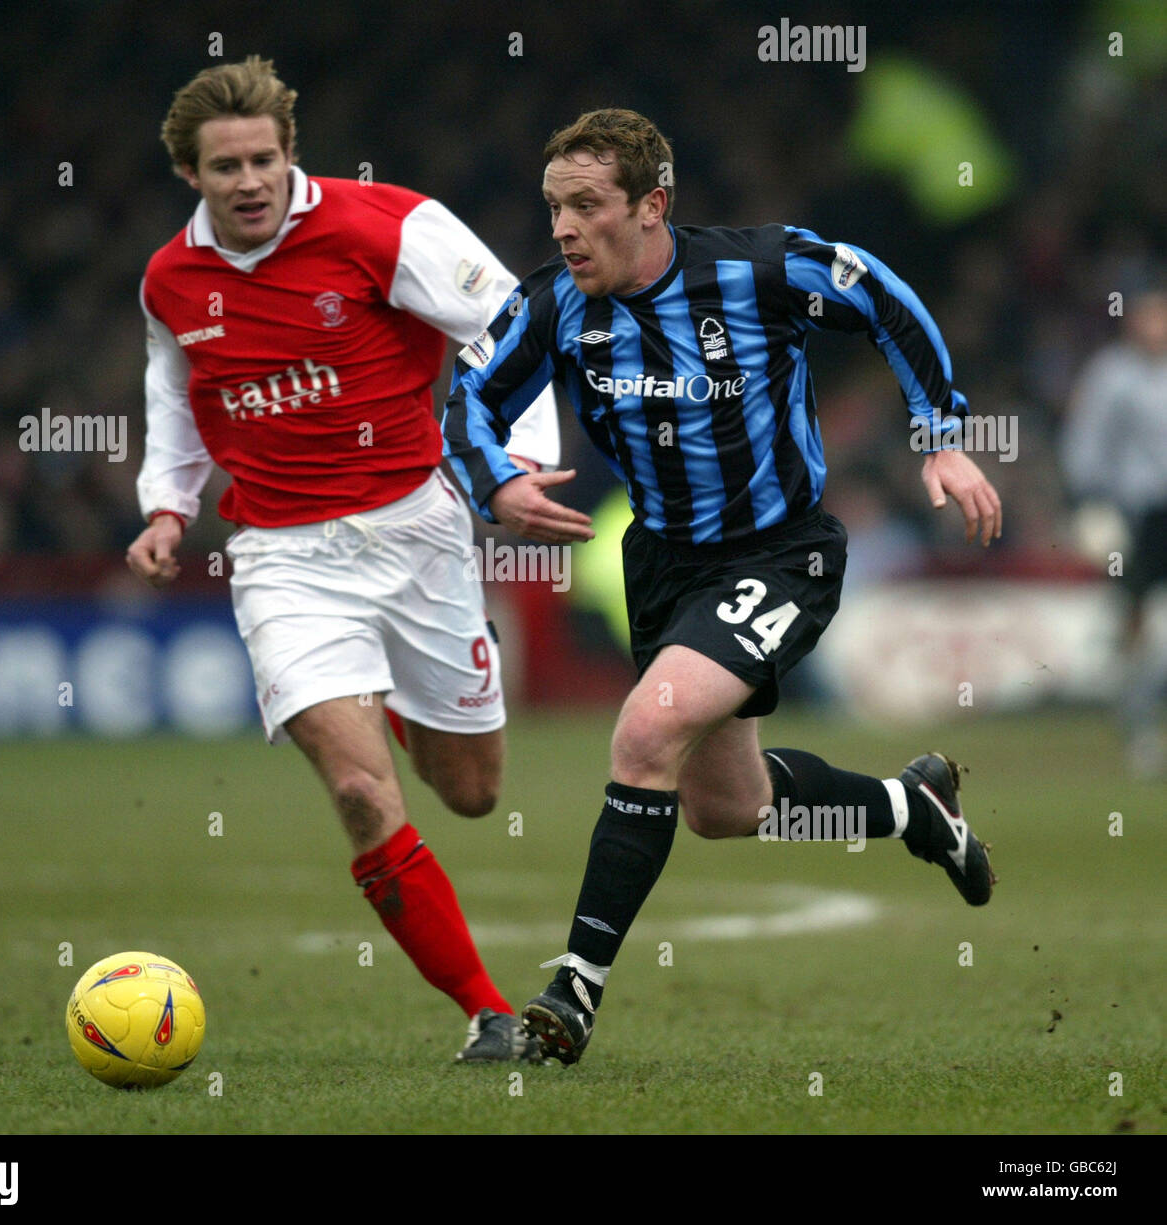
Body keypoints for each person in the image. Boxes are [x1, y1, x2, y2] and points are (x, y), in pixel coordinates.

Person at [442, 108, 1002, 1065]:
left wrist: (940, 434)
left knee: (645, 730)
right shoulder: (553, 308)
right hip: (665, 568)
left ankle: (569, 999)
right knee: (724, 809)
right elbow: (466, 402)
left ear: (653, 205)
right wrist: (497, 480)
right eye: (553, 209)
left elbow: (883, 298)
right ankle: (916, 808)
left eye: (587, 206)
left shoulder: (758, 270)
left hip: (782, 554)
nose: (565, 229)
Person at [126, 57, 560, 1062]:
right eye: (224, 165)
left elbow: (514, 328)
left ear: (290, 152)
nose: (248, 181)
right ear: (190, 174)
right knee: (363, 796)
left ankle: (403, 698)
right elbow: (176, 393)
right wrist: (165, 505)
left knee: (471, 791)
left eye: (264, 158)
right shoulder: (169, 281)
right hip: (282, 555)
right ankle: (489, 1015)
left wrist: (518, 467)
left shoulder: (389, 227)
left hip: (418, 532)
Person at [1062, 289, 1167, 778]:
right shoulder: (1113, 374)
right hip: (1141, 512)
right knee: (1136, 617)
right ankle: (1138, 721)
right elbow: (1086, 441)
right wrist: (1088, 501)